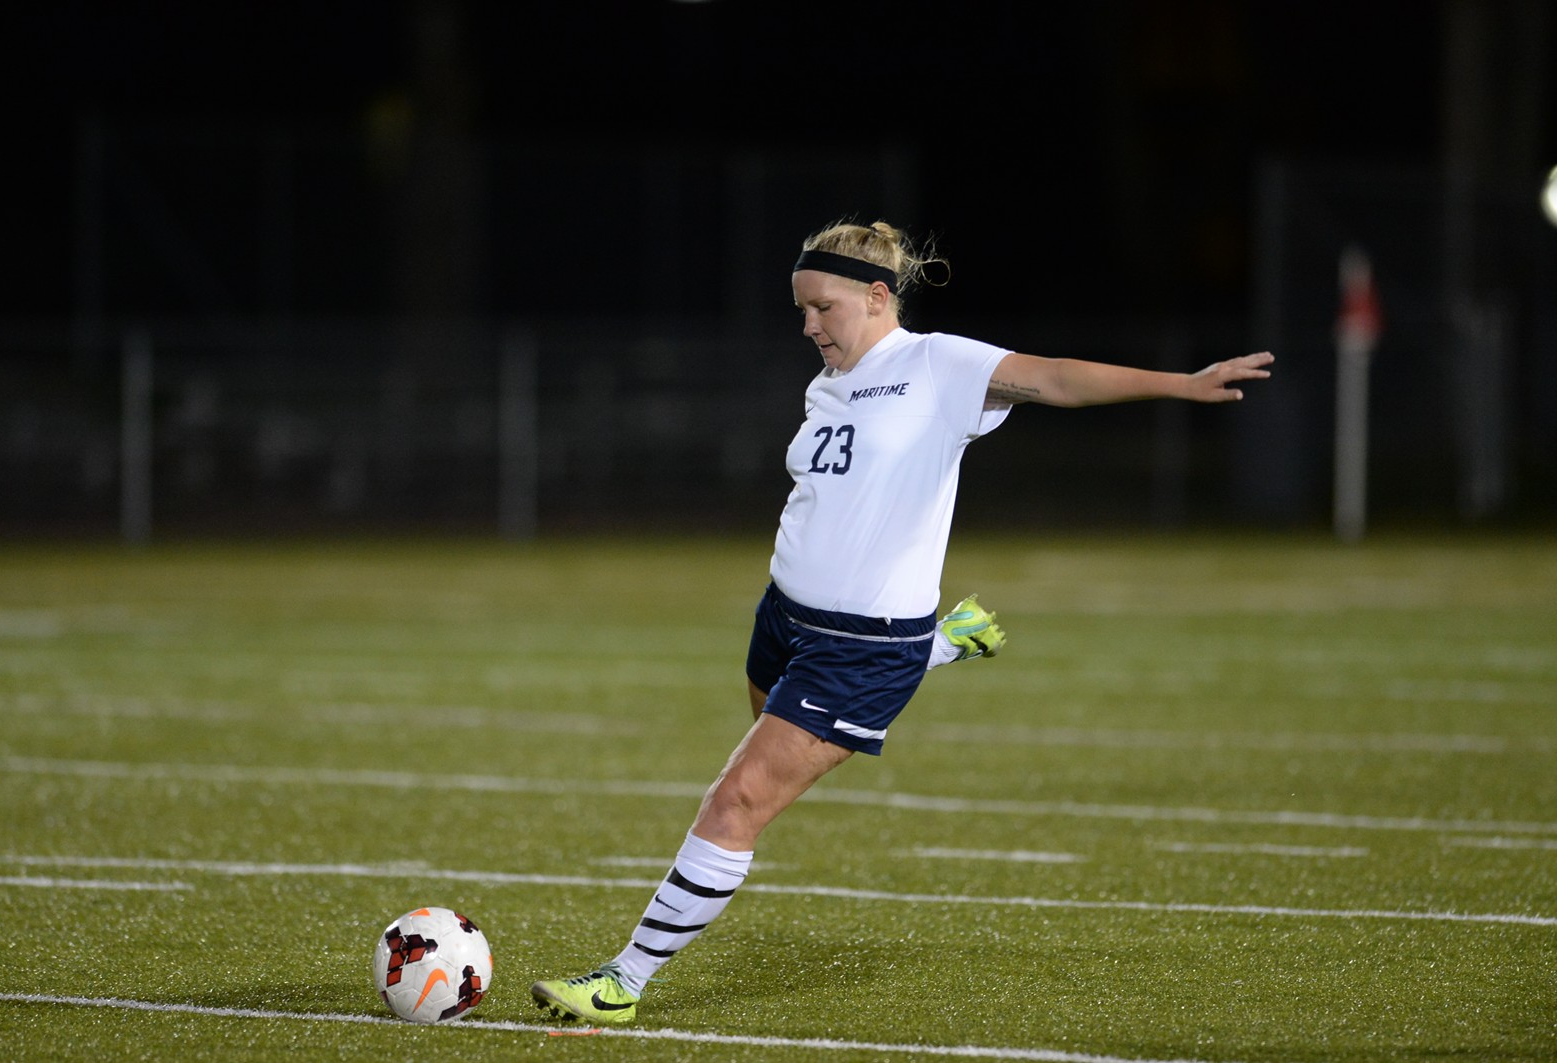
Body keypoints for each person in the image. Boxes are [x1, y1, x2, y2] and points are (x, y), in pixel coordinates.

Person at [531, 219, 1274, 1025]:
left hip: (862, 645)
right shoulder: (829, 381)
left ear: (878, 296)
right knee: (758, 752)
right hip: (782, 618)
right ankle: (944, 645)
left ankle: (623, 981)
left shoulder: (939, 364)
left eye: (822, 307)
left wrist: (1179, 383)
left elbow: (1057, 378)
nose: (809, 325)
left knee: (736, 800)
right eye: (801, 309)